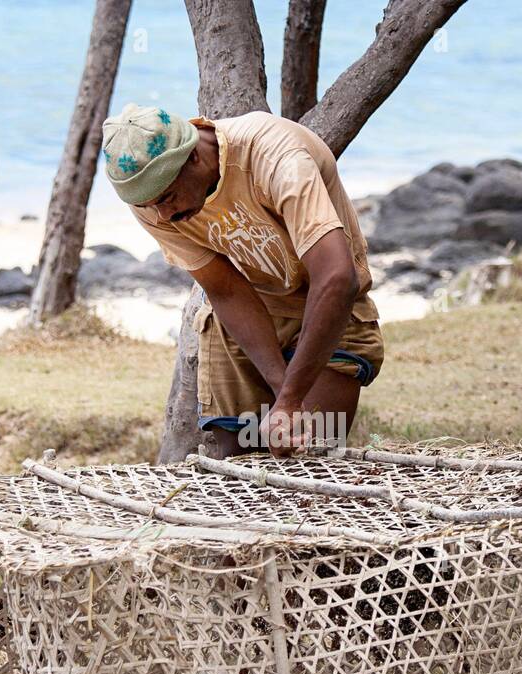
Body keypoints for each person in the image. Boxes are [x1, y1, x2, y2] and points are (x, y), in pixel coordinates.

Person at [101, 103, 384, 457]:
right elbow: (225, 289)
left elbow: (336, 278)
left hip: (329, 304)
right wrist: (283, 394)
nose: (164, 215)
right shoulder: (148, 189)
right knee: (237, 472)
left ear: (193, 158)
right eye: (148, 205)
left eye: (167, 199)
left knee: (313, 459)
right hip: (249, 312)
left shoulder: (276, 156)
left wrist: (291, 400)